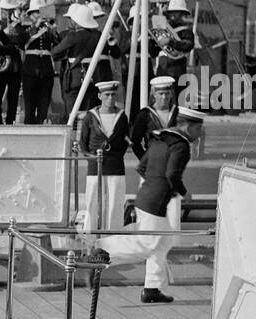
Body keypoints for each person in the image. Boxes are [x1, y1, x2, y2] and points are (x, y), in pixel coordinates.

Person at [102, 106, 205, 303]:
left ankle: (153, 288)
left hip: (145, 197)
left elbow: (141, 167)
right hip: (155, 202)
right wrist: (185, 193)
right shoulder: (181, 146)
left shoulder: (159, 139)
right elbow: (172, 175)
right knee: (147, 245)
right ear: (188, 126)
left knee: (162, 242)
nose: (200, 134)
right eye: (198, 129)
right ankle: (102, 253)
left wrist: (153, 184)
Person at [78, 81, 130, 232]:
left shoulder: (122, 116)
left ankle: (113, 235)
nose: (110, 98)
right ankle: (91, 235)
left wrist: (116, 156)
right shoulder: (90, 117)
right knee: (93, 202)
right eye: (107, 95)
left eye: (113, 95)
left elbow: (125, 140)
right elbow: (83, 143)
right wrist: (92, 159)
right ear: (99, 96)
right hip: (95, 165)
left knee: (115, 202)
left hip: (115, 165)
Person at [19, 0, 59, 124]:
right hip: (30, 70)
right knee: (29, 107)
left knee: (43, 107)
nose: (39, 15)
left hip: (46, 70)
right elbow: (21, 41)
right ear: (31, 14)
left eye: (41, 11)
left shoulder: (47, 28)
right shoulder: (25, 27)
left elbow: (58, 43)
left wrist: (54, 31)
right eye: (36, 12)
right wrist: (36, 26)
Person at [129, 75, 178, 161]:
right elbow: (135, 142)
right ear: (154, 94)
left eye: (167, 93)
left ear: (171, 94)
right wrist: (145, 161)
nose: (164, 97)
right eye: (161, 93)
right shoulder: (145, 114)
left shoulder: (177, 113)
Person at [151, 0, 195, 81]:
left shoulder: (186, 31)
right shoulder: (161, 29)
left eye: (176, 12)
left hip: (178, 74)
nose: (173, 14)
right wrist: (152, 40)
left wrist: (169, 41)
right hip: (162, 73)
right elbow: (153, 53)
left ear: (182, 13)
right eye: (171, 12)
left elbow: (188, 45)